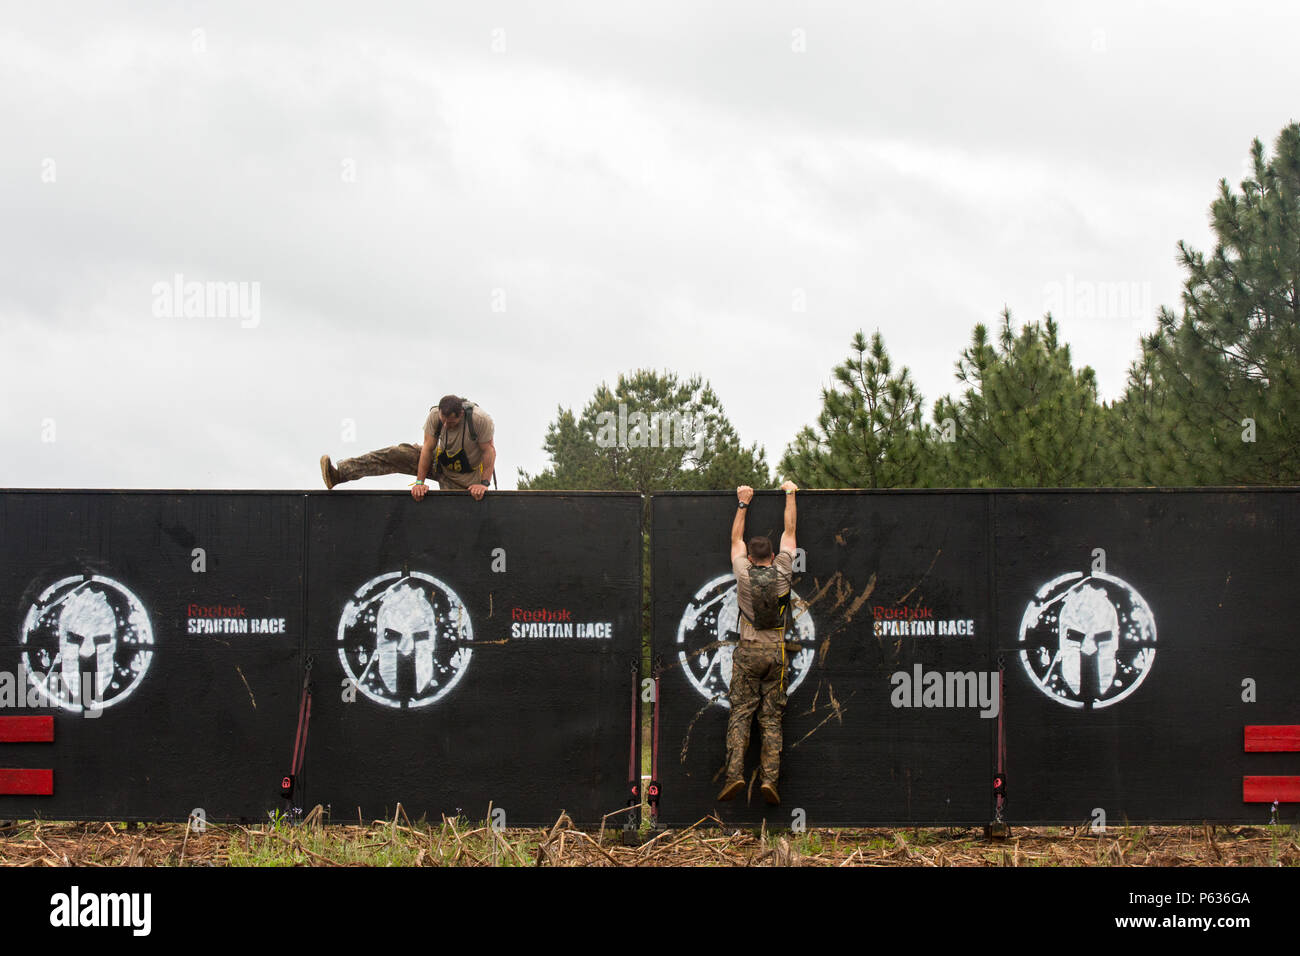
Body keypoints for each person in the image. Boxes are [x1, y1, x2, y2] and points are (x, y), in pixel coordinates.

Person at [718, 479, 798, 805]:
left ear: (750, 557)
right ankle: (769, 782)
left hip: (748, 651)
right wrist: (790, 494)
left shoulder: (742, 572)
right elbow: (790, 531)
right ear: (774, 555)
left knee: (740, 713)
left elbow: (735, 537)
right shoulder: (783, 571)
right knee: (771, 719)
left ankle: (734, 774)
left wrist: (743, 502)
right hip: (776, 654)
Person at [320, 395, 496, 501]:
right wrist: (419, 483)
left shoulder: (479, 420)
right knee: (396, 454)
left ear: (461, 415)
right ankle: (340, 474)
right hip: (439, 462)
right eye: (443, 421)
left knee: (457, 518)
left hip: (464, 479)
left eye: (451, 423)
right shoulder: (435, 416)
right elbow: (427, 449)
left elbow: (489, 451)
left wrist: (483, 485)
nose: (446, 425)